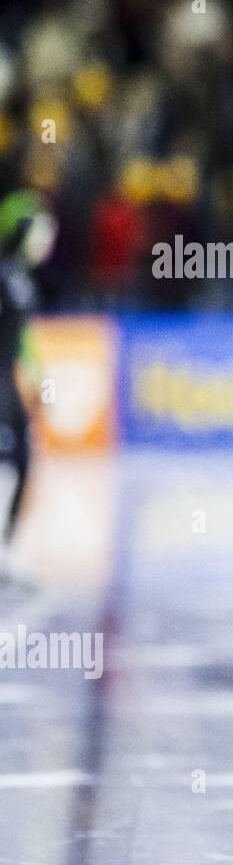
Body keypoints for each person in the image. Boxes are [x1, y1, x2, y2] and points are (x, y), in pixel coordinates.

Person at [0, 190, 55, 588]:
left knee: (21, 460)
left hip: (7, 385)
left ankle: (9, 550)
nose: (46, 243)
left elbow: (24, 340)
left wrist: (38, 382)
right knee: (5, 464)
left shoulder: (20, 280)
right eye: (38, 232)